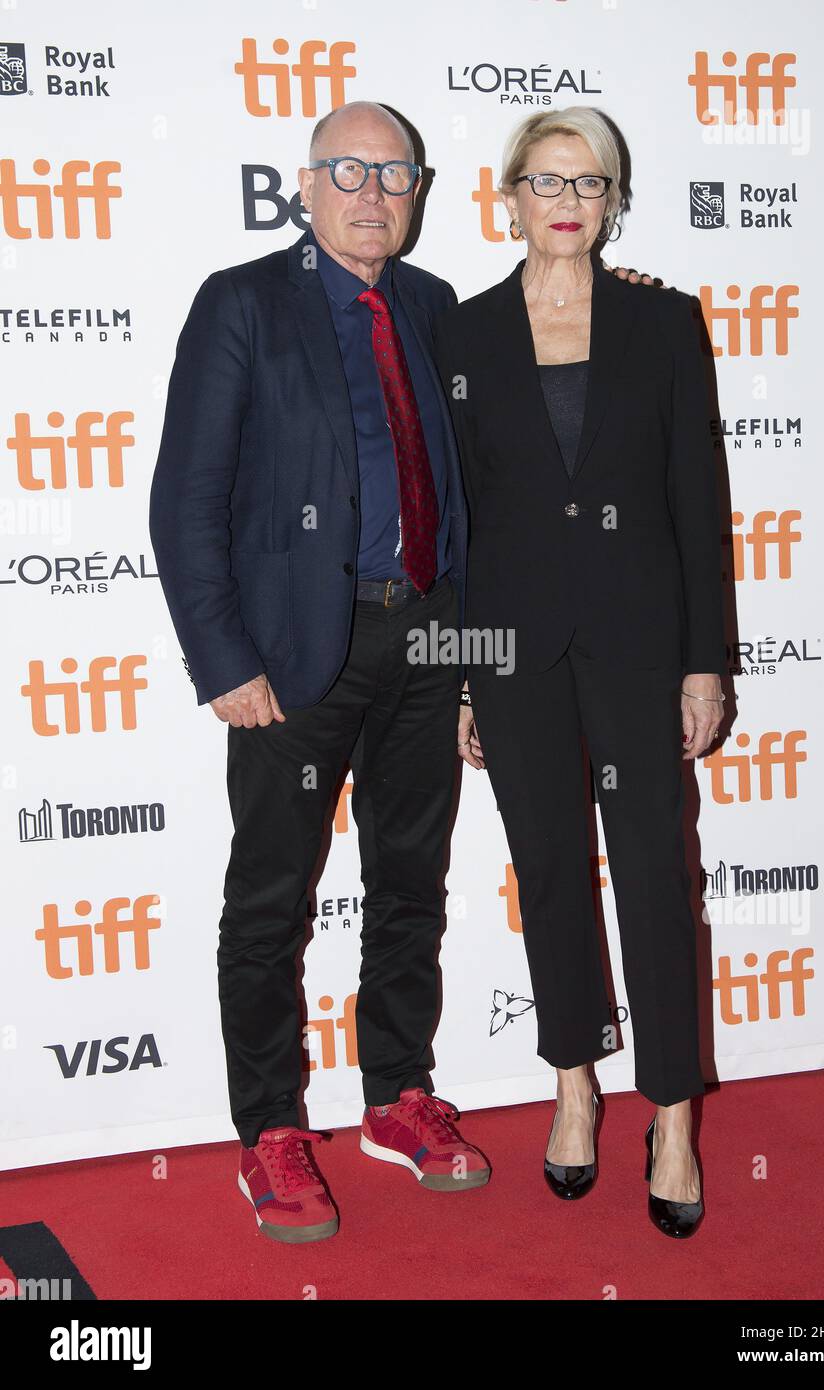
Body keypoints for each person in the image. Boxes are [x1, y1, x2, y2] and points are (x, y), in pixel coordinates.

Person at [149, 101, 491, 1243]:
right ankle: (270, 1129)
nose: (371, 190)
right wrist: (223, 658)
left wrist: (472, 664)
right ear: (305, 183)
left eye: (394, 173)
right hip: (294, 657)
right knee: (270, 898)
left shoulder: (437, 309)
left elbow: (478, 492)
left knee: (410, 882)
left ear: (418, 190)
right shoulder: (242, 302)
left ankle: (397, 1094)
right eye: (348, 168)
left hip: (427, 640)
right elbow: (186, 498)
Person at [434, 106, 728, 1238]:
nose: (566, 200)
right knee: (549, 864)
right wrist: (463, 672)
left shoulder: (664, 322)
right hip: (510, 650)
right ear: (506, 196)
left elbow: (696, 503)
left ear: (612, 202)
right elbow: (452, 525)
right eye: (545, 181)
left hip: (637, 636)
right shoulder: (460, 335)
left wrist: (702, 663)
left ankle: (672, 1115)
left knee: (654, 868)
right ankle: (572, 1086)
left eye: (589, 182)